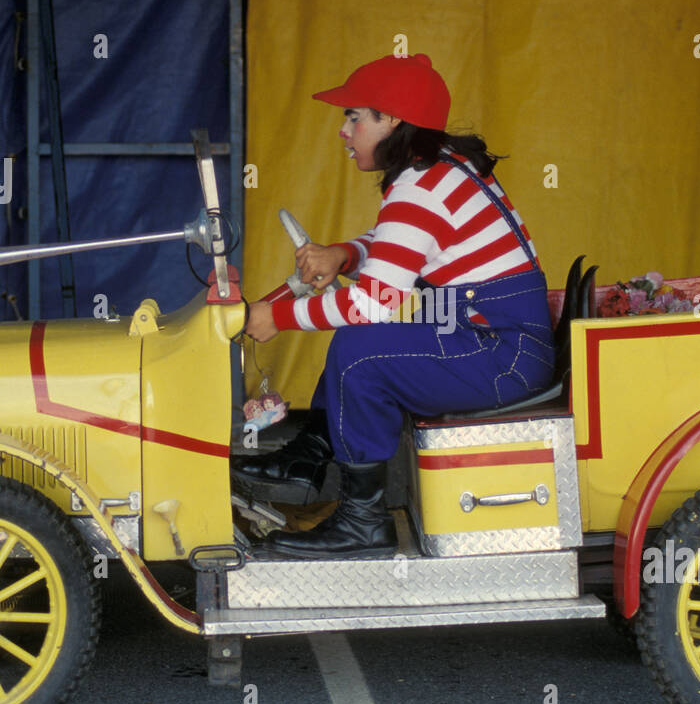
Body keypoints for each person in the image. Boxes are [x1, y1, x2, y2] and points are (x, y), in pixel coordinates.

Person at [237, 53, 554, 558]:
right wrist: (344, 253)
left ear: (393, 122)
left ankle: (362, 523)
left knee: (363, 348)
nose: (344, 130)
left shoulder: (420, 186)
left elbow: (372, 304)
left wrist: (275, 317)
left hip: (503, 354)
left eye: (354, 117)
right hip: (491, 333)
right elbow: (404, 242)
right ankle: (306, 457)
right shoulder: (440, 165)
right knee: (361, 342)